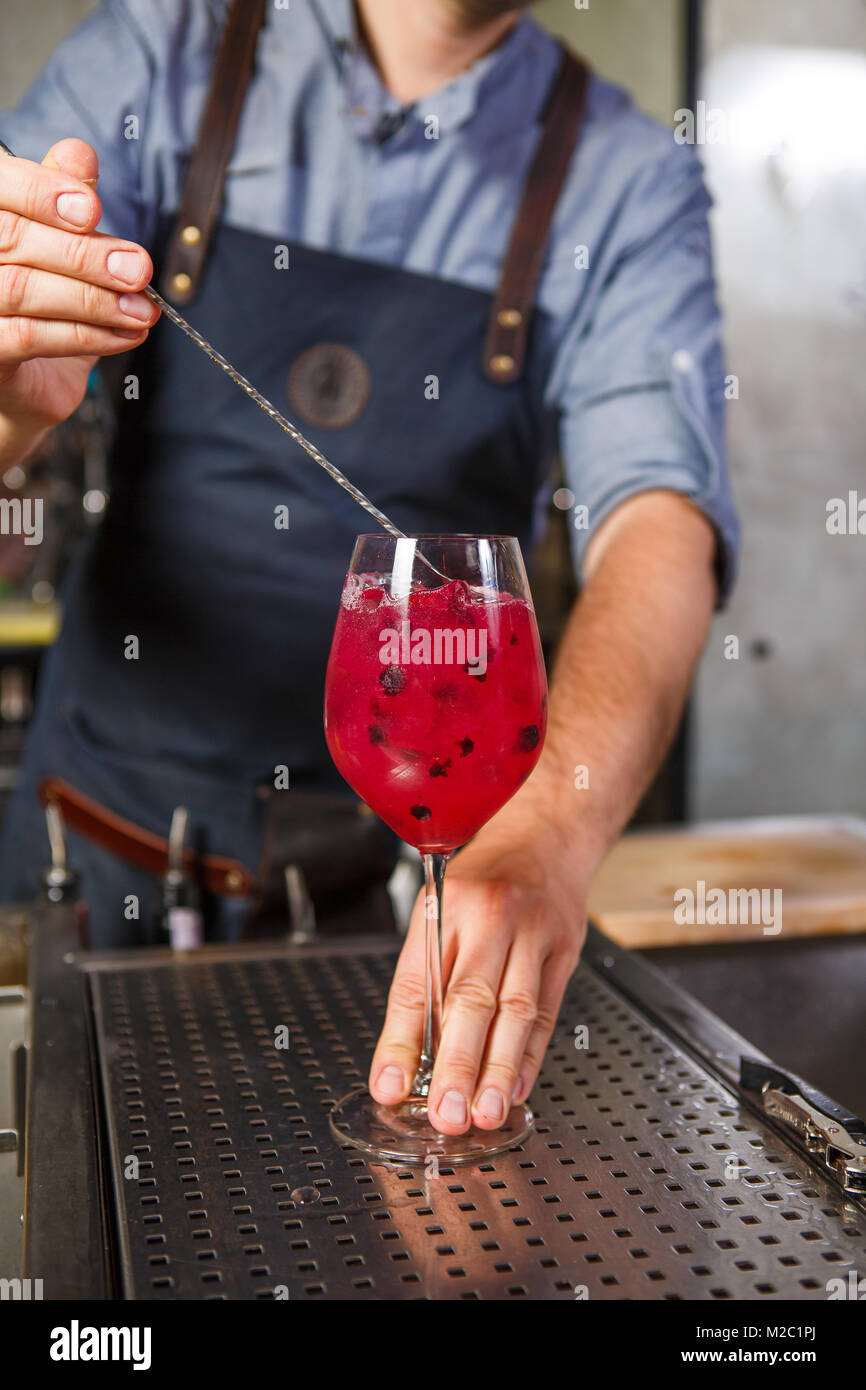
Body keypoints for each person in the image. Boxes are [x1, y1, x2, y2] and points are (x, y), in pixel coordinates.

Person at [0, 0, 738, 1138]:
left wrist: (550, 819)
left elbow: (659, 520)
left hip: (376, 906)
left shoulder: (627, 180)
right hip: (85, 860)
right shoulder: (160, 49)